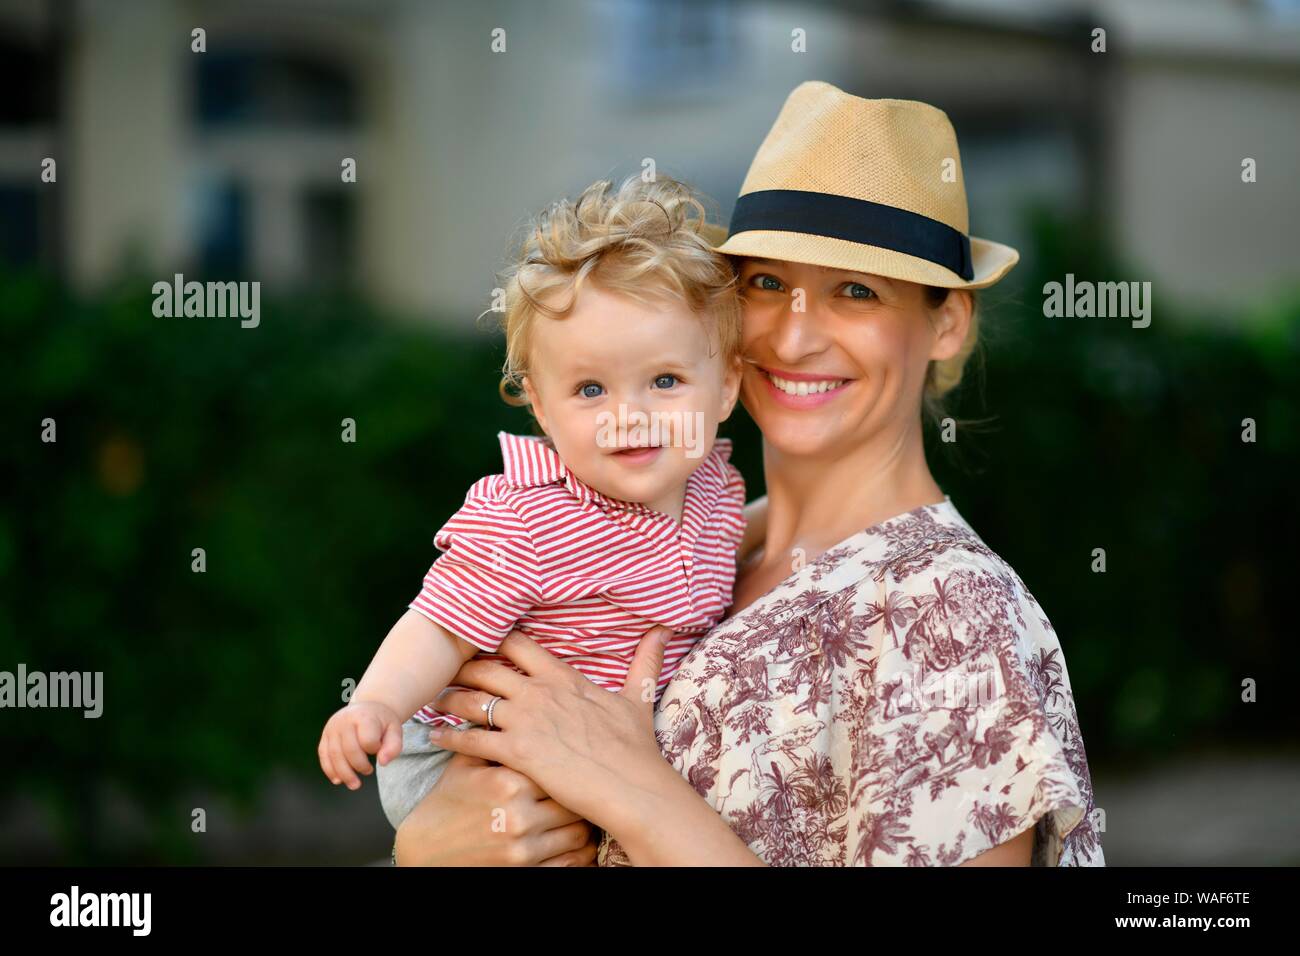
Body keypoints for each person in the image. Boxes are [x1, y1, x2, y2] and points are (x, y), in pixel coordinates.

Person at [381, 81, 1105, 867]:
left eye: (855, 292)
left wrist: (634, 790)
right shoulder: (677, 538)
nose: (793, 339)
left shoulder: (951, 610)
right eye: (766, 283)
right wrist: (427, 846)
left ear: (946, 322)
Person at [317, 175, 749, 812]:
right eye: (592, 390)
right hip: (461, 757)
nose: (629, 414)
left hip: (597, 757)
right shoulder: (529, 515)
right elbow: (438, 627)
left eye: (665, 379)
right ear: (542, 406)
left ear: (726, 388)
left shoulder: (719, 490)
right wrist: (376, 702)